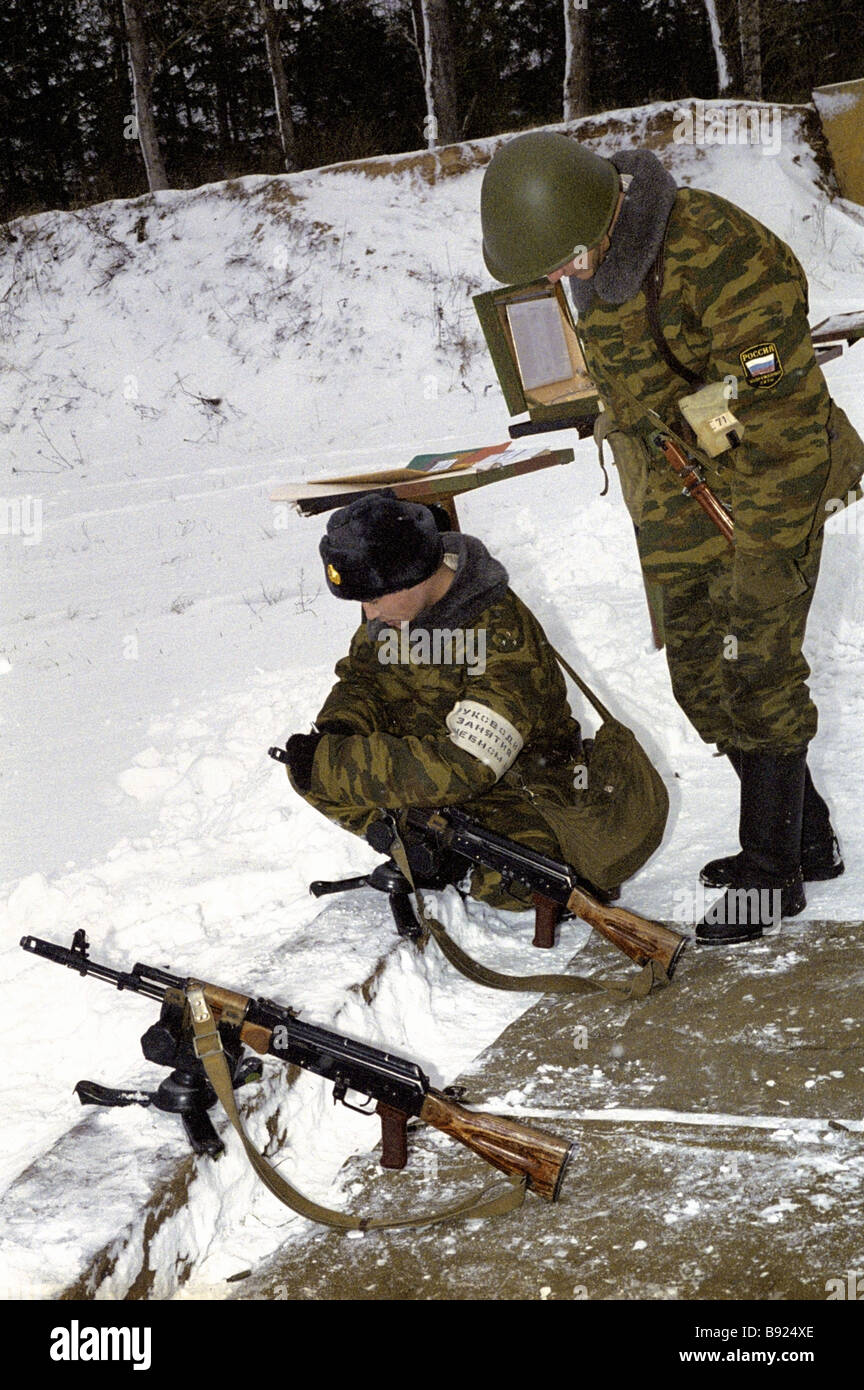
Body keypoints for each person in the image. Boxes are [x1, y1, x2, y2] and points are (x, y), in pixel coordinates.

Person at [480, 131, 864, 944]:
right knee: (702, 673)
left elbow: (775, 401)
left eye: (562, 264)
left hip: (774, 477)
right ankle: (805, 835)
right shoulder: (593, 253)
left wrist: (763, 545)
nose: (556, 281)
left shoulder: (721, 254)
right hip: (683, 490)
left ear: (599, 222)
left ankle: (772, 874)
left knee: (757, 669)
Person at [278, 490, 666, 910]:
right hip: (427, 771)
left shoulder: (500, 634)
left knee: (520, 879)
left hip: (516, 789)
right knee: (309, 767)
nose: (370, 614)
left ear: (415, 574)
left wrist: (345, 763)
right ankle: (419, 845)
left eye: (373, 600)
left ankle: (443, 856)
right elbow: (362, 679)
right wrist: (341, 728)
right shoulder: (396, 609)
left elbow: (470, 764)